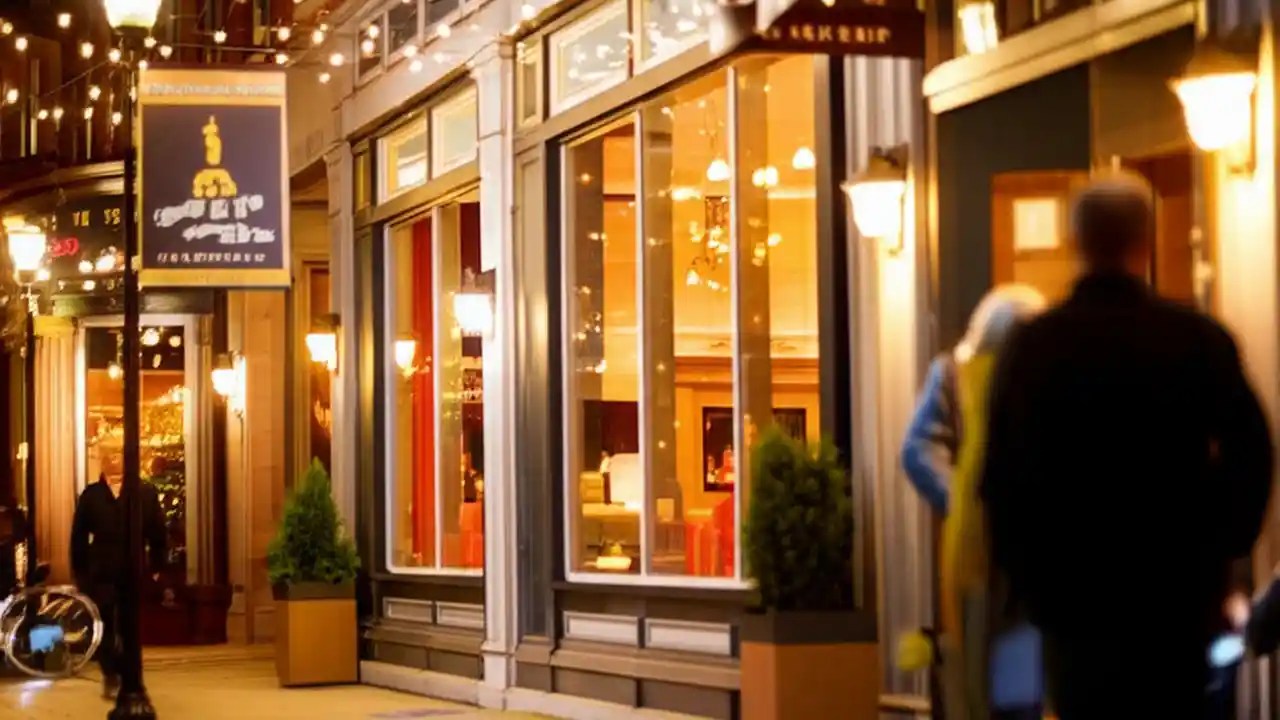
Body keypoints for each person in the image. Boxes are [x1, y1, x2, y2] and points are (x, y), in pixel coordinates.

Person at [982, 171, 1273, 719]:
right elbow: (1252, 453)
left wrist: (1027, 578)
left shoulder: (1036, 347)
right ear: (1146, 241)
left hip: (1073, 599)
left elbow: (1003, 474)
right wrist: (1224, 547)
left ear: (1077, 243)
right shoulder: (1196, 339)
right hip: (1177, 593)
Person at [903, 284, 1047, 720]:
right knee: (1004, 679)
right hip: (996, 561)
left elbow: (919, 449)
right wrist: (966, 504)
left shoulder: (1041, 380)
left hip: (1007, 559)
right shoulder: (956, 376)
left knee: (997, 680)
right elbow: (920, 449)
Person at [70, 471, 167, 700]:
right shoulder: (92, 495)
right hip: (101, 570)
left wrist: (157, 566)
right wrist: (80, 572)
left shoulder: (144, 493)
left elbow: (157, 532)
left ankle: (130, 677)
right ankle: (111, 672)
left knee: (129, 625)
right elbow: (79, 536)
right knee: (104, 624)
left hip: (133, 569)